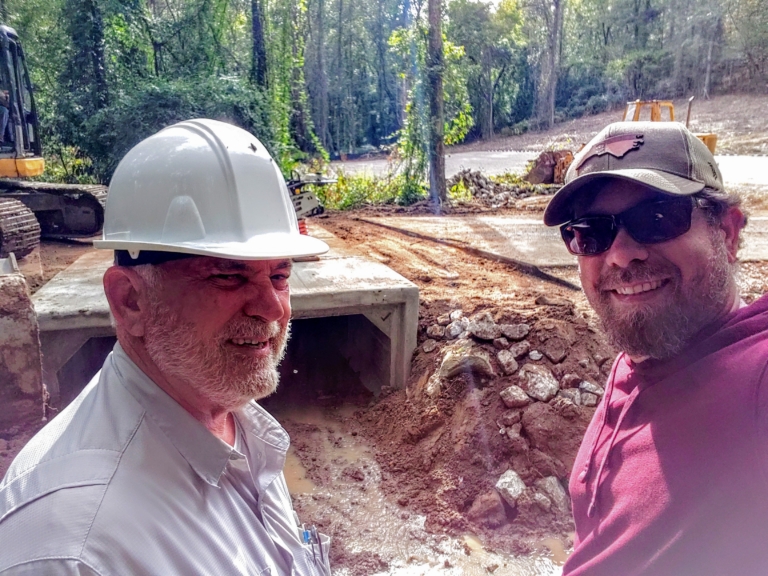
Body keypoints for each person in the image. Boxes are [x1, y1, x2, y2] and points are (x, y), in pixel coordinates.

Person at [0, 119, 332, 575]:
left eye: (279, 275)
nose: (271, 309)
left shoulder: (233, 420)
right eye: (228, 276)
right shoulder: (73, 549)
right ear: (130, 300)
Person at [544, 121, 768, 575]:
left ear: (728, 233)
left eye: (657, 218)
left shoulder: (756, 375)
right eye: (591, 232)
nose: (622, 255)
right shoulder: (644, 351)